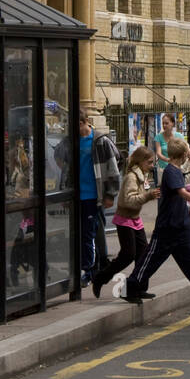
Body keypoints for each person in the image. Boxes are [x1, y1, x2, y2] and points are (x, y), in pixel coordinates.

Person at [123, 138, 190, 312]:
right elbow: (182, 192)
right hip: (167, 227)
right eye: (187, 152)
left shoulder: (176, 170)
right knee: (151, 259)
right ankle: (132, 287)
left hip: (181, 227)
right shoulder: (170, 171)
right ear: (184, 154)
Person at [55, 111, 120, 287]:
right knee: (81, 233)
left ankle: (88, 270)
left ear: (84, 122)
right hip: (75, 195)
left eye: (75, 125)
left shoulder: (100, 141)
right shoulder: (69, 141)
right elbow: (59, 158)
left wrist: (110, 194)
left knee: (88, 235)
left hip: (93, 195)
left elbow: (113, 169)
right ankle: (95, 266)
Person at [91, 146, 161, 299]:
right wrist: (148, 196)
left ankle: (137, 288)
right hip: (125, 219)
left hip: (135, 219)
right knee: (128, 254)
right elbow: (127, 200)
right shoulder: (132, 177)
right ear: (141, 161)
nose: (152, 166)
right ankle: (100, 278)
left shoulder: (142, 174)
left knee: (143, 254)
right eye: (149, 162)